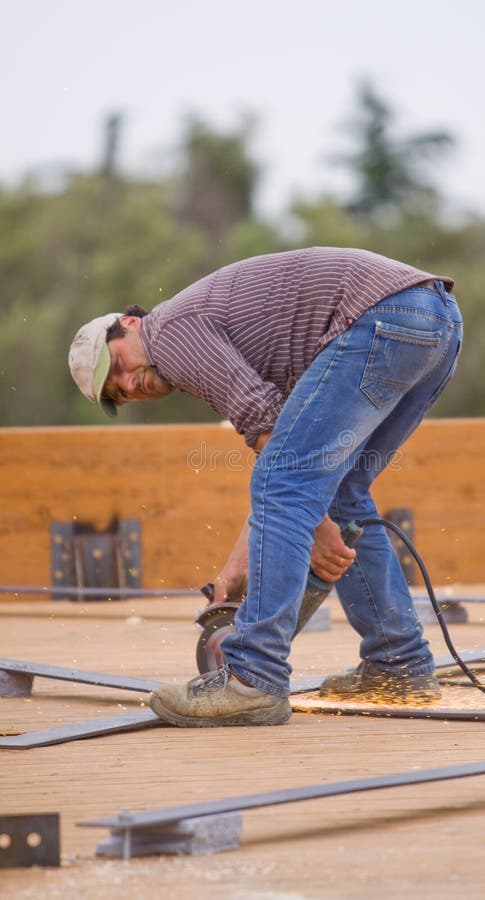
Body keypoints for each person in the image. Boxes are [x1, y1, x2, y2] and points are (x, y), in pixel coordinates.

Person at [68, 247, 462, 728]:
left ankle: (253, 678)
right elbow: (291, 458)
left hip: (383, 315)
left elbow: (275, 454)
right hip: (434, 319)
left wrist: (316, 528)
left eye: (118, 367)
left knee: (298, 488)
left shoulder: (167, 334)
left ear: (129, 325)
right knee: (343, 495)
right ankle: (399, 667)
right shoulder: (201, 334)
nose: (129, 385)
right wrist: (234, 573)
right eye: (118, 394)